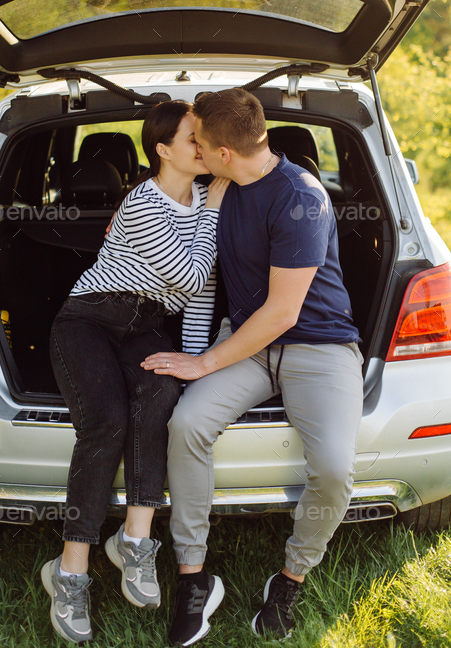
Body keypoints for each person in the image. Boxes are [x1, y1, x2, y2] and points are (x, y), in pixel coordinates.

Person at [142, 88, 363, 646]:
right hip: (249, 346)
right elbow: (157, 219)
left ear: (221, 153)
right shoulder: (218, 187)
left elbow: (283, 313)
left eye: (199, 142)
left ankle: (289, 578)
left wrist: (205, 363)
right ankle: (194, 577)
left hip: (318, 347)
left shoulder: (300, 198)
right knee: (188, 424)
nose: (192, 149)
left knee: (335, 470)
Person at [41, 100, 229, 644]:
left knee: (161, 396)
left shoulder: (202, 198)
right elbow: (192, 276)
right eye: (194, 138)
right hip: (89, 318)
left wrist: (193, 364)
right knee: (106, 421)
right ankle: (69, 571)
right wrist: (213, 213)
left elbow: (201, 297)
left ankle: (134, 539)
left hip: (146, 325)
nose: (204, 145)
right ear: (163, 150)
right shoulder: (144, 204)